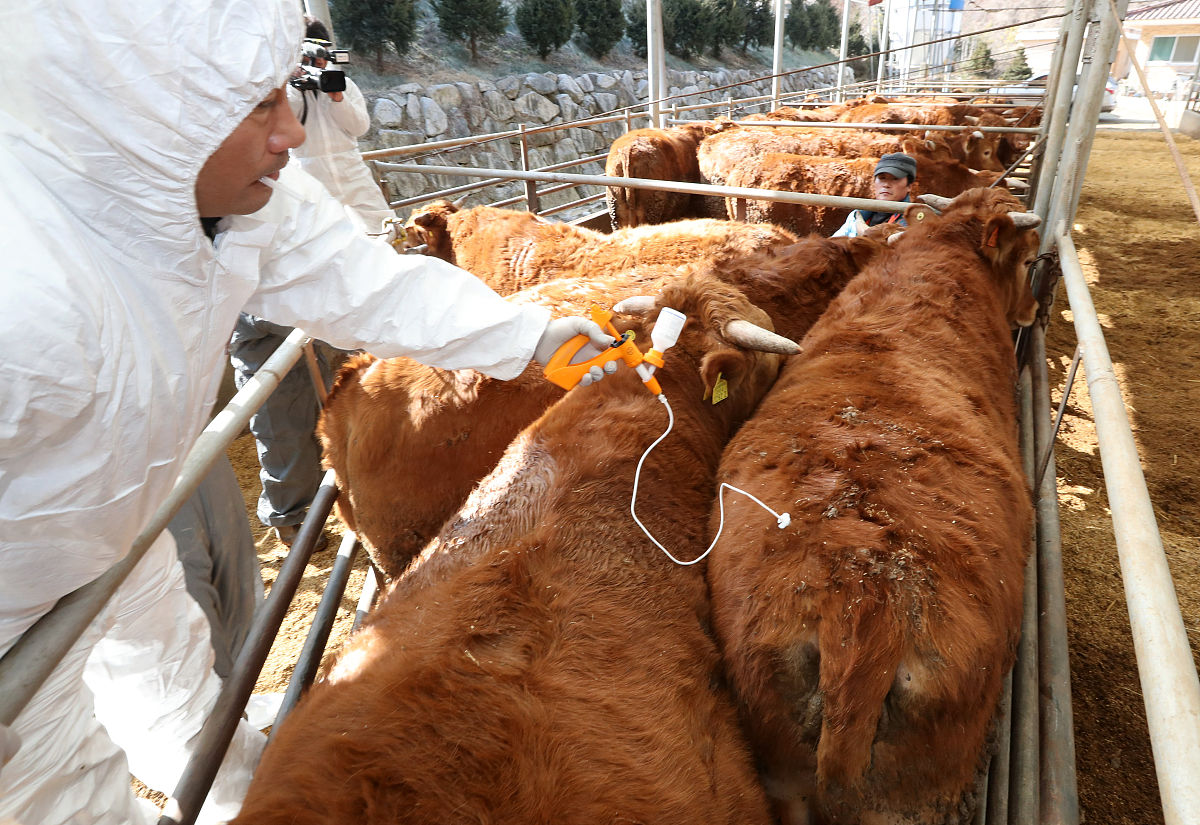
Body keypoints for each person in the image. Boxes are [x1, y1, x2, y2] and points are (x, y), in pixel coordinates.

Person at [0, 3, 615, 825]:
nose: (291, 129)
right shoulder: (23, 295)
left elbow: (364, 280)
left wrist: (529, 336)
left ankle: (231, 792)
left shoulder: (222, 197)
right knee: (59, 790)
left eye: (284, 94)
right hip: (14, 601)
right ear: (152, 113)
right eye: (257, 105)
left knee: (177, 678)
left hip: (123, 520)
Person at [286, 18, 395, 238]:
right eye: (312, 57)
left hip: (352, 170)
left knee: (385, 229)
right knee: (321, 240)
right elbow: (287, 127)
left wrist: (338, 99)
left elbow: (359, 127)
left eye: (323, 55)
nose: (319, 63)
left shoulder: (344, 84)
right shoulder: (287, 89)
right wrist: (294, 83)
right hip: (309, 177)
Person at [831, 152, 918, 238]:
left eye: (895, 179)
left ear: (909, 186)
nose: (886, 185)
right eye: (882, 178)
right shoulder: (856, 216)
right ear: (874, 182)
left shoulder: (913, 223)